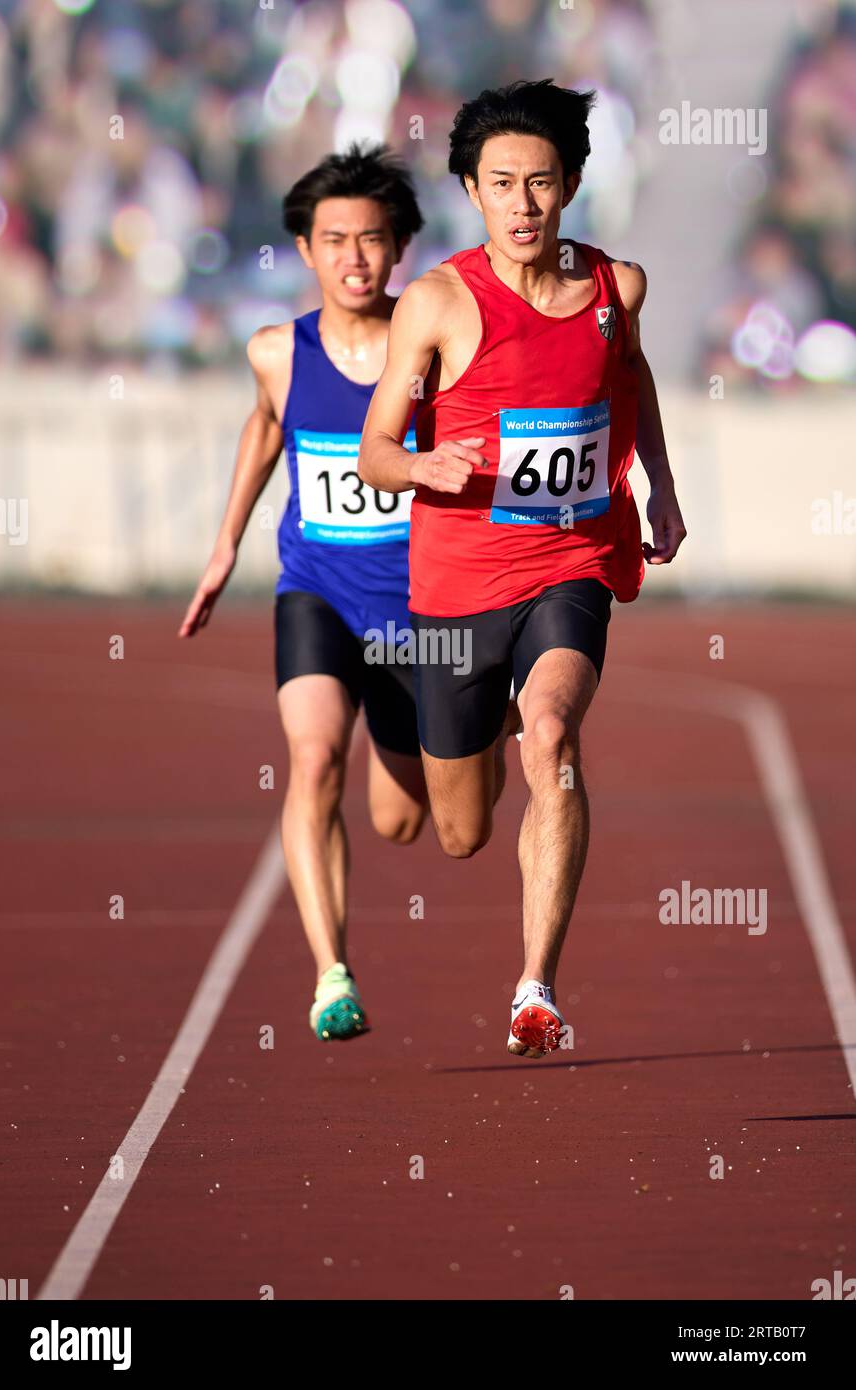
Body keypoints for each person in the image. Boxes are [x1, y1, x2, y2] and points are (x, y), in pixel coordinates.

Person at [358, 81, 687, 1058]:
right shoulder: (437, 305)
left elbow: (632, 374)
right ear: (471, 189)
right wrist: (422, 463)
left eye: (541, 183)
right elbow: (377, 448)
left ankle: (535, 985)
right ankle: (445, 714)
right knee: (457, 829)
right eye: (502, 183)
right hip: (459, 586)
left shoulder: (613, 289)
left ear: (573, 183)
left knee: (554, 740)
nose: (523, 205)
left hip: (573, 559)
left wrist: (659, 484)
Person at [179, 144, 428, 1042]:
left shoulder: (431, 347)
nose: (354, 259)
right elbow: (264, 426)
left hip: (415, 615)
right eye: (334, 241)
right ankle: (332, 973)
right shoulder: (278, 351)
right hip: (315, 590)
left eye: (371, 240)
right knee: (314, 757)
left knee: (403, 821)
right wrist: (224, 547)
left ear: (400, 247)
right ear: (304, 248)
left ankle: (412, 752)